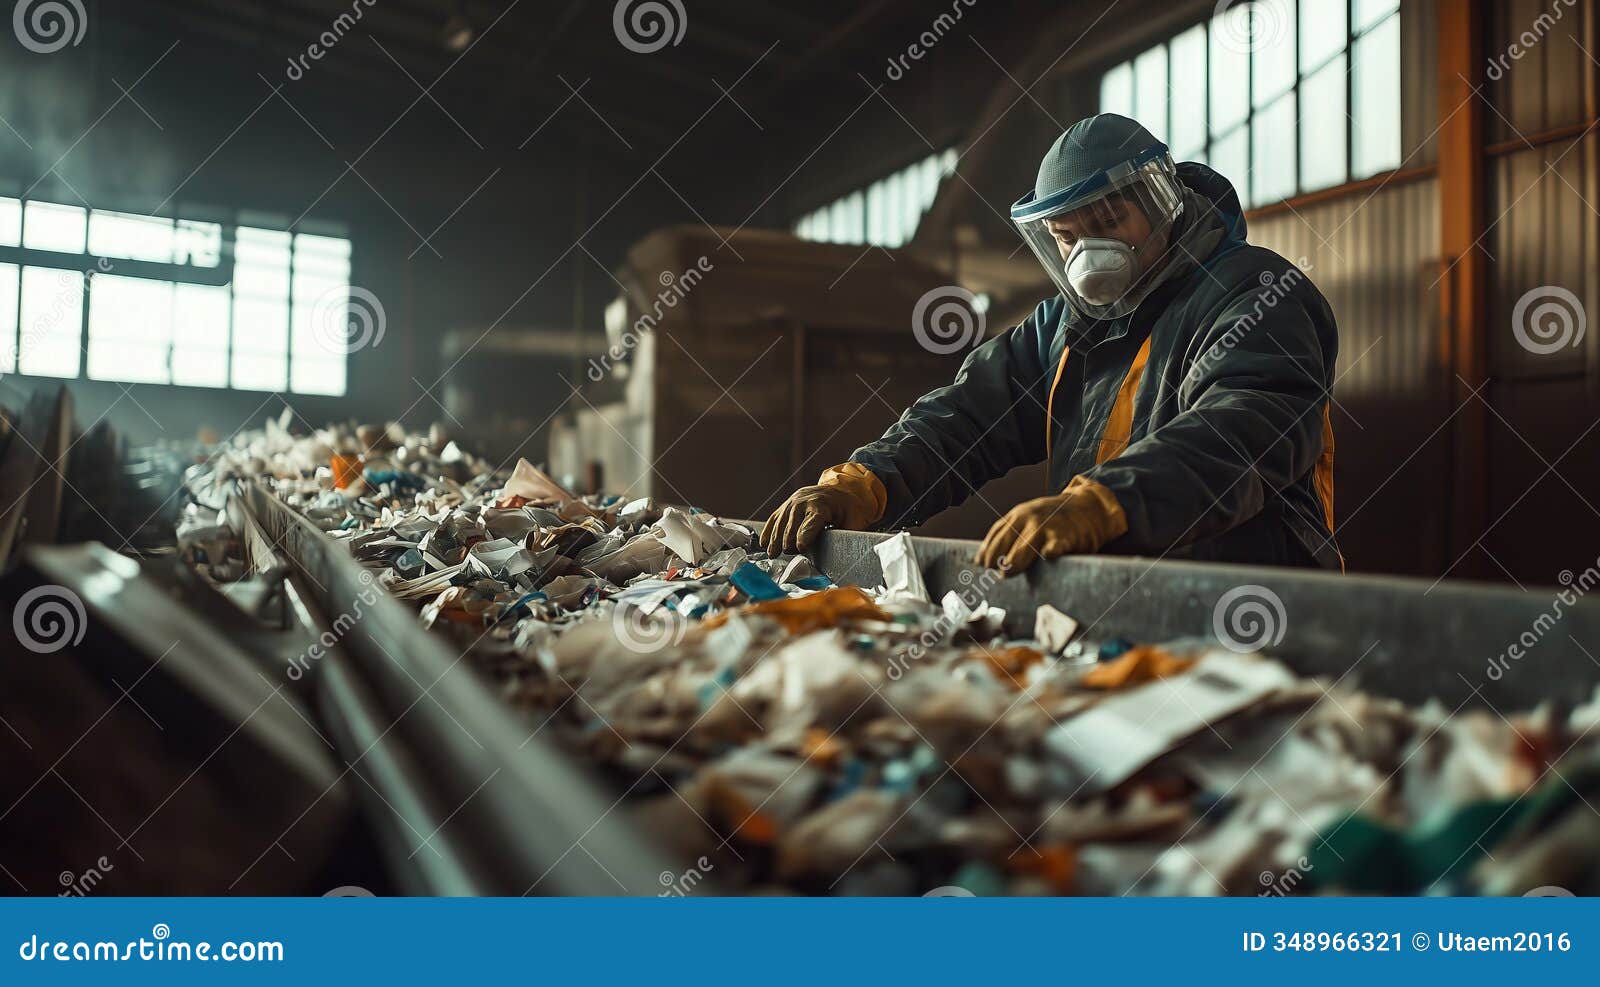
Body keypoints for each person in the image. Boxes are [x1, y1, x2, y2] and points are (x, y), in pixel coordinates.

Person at [762, 113, 1341, 572]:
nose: (1089, 255)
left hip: (1256, 611)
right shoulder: (1065, 327)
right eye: (1068, 237)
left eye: (1110, 224)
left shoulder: (1256, 294)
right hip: (1120, 605)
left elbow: (1243, 431)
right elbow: (965, 417)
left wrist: (1105, 503)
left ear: (1163, 202)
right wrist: (867, 483)